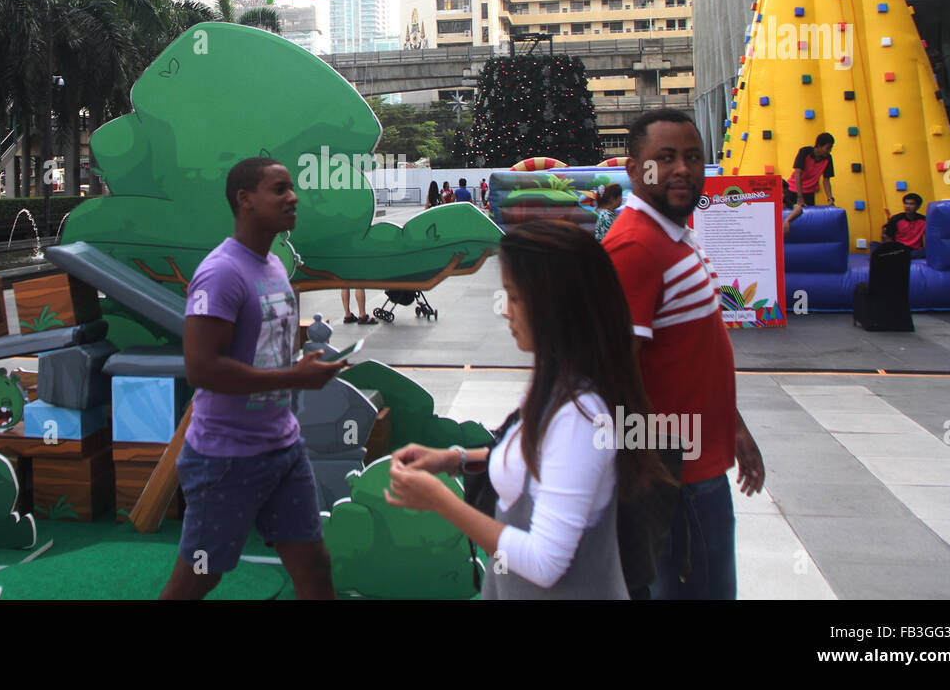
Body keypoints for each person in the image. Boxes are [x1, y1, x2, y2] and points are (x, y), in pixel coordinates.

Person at [384, 220, 671, 598]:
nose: (505, 311)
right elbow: (535, 459)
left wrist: (440, 500)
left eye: (515, 297)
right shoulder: (557, 387)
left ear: (556, 306)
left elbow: (544, 562)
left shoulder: (578, 416)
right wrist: (453, 458)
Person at [159, 157, 349, 600]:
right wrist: (294, 377)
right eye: (279, 189)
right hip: (226, 459)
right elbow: (201, 368)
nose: (293, 197)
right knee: (199, 576)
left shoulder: (275, 267)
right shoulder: (221, 271)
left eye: (292, 188)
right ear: (245, 200)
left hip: (284, 450)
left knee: (316, 570)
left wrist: (305, 365)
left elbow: (266, 352)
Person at [602, 108, 765, 600]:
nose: (682, 170)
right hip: (677, 480)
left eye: (693, 157)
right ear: (634, 170)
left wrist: (731, 426)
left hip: (698, 467)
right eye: (665, 158)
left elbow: (696, 352)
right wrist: (650, 478)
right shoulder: (635, 247)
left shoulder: (673, 237)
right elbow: (613, 372)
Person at [782, 132, 835, 236]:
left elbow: (826, 180)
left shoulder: (828, 158)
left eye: (830, 148)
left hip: (809, 191)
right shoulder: (804, 152)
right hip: (794, 189)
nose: (829, 151)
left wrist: (830, 198)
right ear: (819, 146)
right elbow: (798, 174)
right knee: (790, 215)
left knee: (807, 220)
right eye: (828, 148)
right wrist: (800, 197)